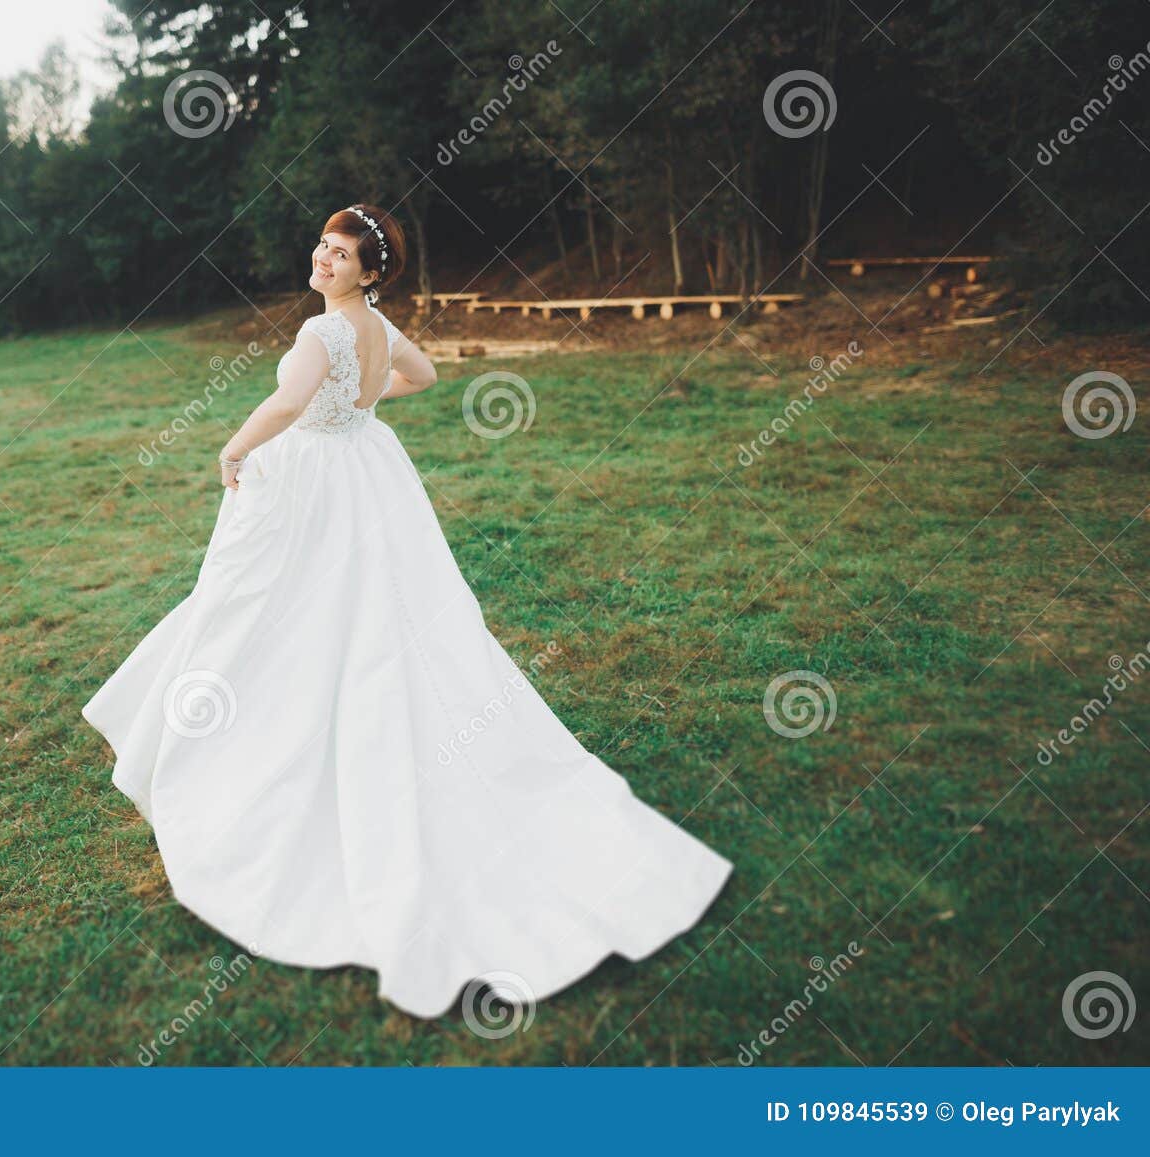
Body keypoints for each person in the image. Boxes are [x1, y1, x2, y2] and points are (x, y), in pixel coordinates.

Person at [81, 203, 732, 1019]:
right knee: (359, 615)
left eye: (341, 254)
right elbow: (421, 377)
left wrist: (236, 445)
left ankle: (260, 753)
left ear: (369, 270)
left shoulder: (322, 338)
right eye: (321, 246)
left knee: (276, 616)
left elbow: (286, 406)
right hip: (366, 472)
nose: (323, 260)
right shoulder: (377, 326)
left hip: (316, 478)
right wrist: (362, 403)